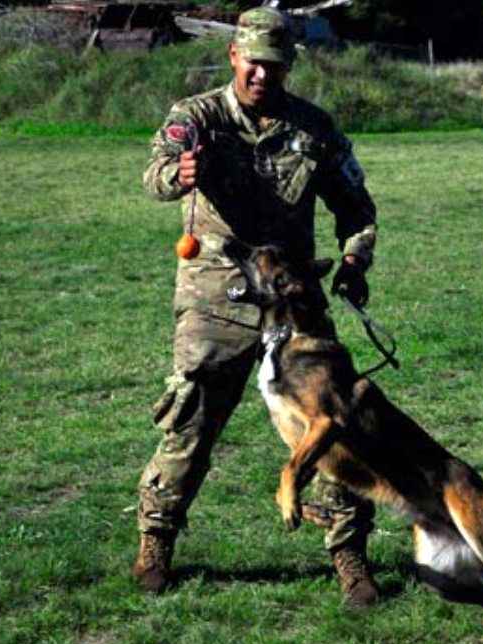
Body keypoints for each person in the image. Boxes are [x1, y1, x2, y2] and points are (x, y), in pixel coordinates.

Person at [135, 7, 381, 607]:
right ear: (233, 59)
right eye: (253, 64)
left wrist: (354, 260)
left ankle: (350, 558)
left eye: (274, 66)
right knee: (189, 421)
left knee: (333, 430)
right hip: (215, 299)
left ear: (288, 65)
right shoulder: (199, 116)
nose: (262, 77)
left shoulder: (314, 129)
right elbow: (156, 171)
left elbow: (357, 205)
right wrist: (178, 173)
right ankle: (155, 543)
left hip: (295, 307)